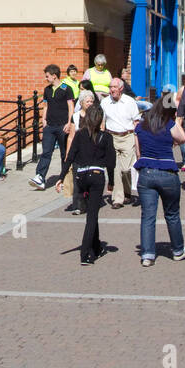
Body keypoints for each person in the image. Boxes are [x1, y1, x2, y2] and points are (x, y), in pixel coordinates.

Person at [133, 93, 185, 266]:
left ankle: (147, 255)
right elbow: (182, 138)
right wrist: (177, 121)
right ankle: (178, 250)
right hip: (167, 171)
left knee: (148, 216)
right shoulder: (169, 124)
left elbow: (138, 153)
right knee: (172, 214)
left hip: (147, 173)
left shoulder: (141, 126)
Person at [61, 102, 115, 265]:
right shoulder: (106, 137)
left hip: (82, 176)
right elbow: (111, 162)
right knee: (92, 216)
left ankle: (96, 245)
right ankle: (86, 253)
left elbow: (70, 157)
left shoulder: (79, 134)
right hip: (97, 176)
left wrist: (61, 176)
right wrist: (111, 182)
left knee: (93, 211)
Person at [101, 77, 141, 209]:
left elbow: (136, 122)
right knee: (115, 168)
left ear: (121, 89)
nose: (112, 90)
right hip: (111, 137)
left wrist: (138, 141)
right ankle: (117, 199)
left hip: (127, 136)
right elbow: (102, 122)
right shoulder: (105, 102)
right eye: (110, 87)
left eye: (114, 87)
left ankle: (127, 192)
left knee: (126, 169)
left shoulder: (129, 102)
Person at [35, 64, 75, 190]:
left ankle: (64, 178)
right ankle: (40, 177)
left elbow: (70, 106)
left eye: (47, 76)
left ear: (54, 76)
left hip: (62, 126)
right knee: (46, 152)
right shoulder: (47, 90)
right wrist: (44, 121)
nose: (46, 78)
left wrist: (69, 123)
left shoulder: (66, 89)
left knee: (65, 153)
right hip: (50, 126)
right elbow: (45, 106)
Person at [61, 89, 98, 213]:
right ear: (81, 102)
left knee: (90, 178)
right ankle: (78, 205)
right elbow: (71, 136)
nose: (90, 103)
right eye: (87, 101)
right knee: (77, 178)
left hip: (92, 151)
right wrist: (68, 153)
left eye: (91, 101)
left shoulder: (96, 115)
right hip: (78, 152)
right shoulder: (75, 117)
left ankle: (89, 202)